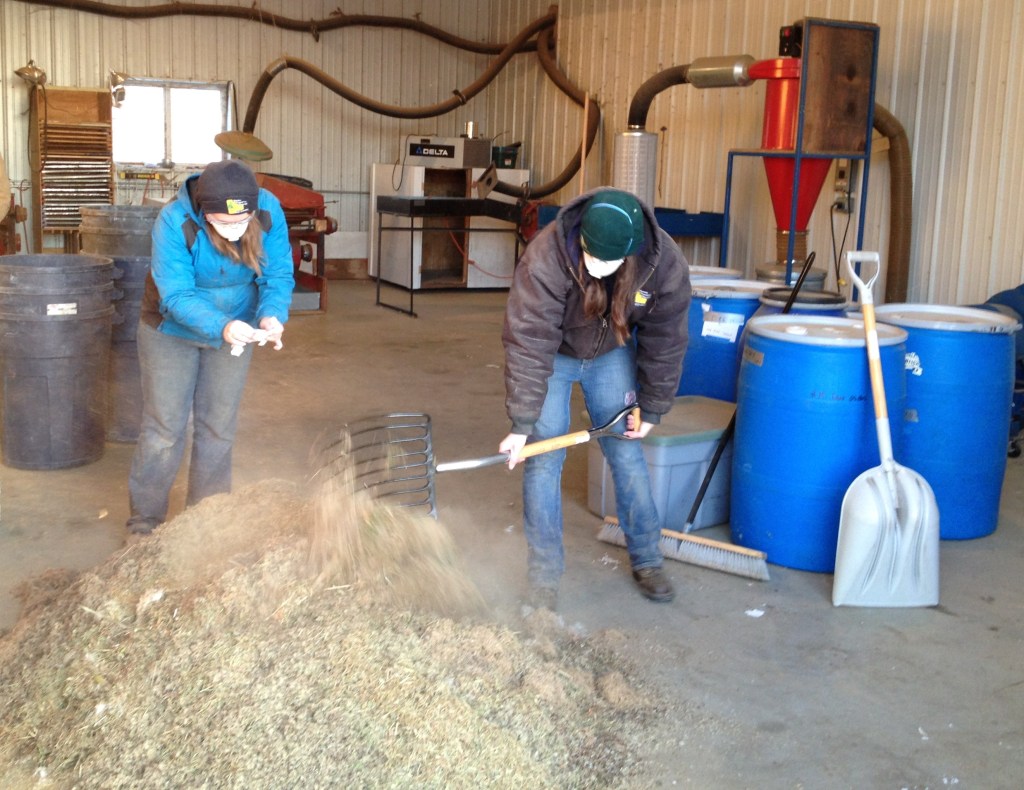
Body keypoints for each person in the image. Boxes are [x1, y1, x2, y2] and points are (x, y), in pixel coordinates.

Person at [499, 188, 691, 610]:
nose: (597, 268)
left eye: (609, 262)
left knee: (626, 452)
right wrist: (522, 423)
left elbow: (667, 338)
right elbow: (529, 338)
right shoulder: (546, 256)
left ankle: (647, 559)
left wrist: (654, 404)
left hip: (610, 354)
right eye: (590, 255)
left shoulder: (663, 263)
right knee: (543, 458)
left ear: (632, 250)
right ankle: (544, 577)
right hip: (555, 354)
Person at [126, 159, 295, 534]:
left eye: (241, 222)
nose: (235, 229)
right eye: (225, 222)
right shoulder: (174, 221)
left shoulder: (268, 211)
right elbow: (177, 295)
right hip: (170, 330)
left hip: (237, 326)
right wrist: (222, 326)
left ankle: (207, 522)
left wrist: (270, 315)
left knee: (218, 427)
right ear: (205, 211)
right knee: (164, 429)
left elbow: (278, 271)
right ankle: (144, 526)